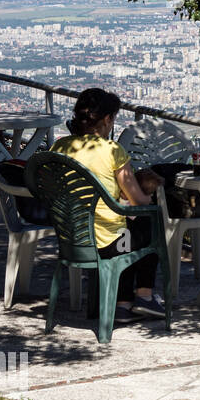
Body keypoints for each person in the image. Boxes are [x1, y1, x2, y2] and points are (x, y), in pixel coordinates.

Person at [50, 88, 165, 318]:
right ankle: (143, 296)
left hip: (70, 237)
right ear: (106, 119)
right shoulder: (112, 151)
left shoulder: (59, 147)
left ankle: (122, 305)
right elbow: (138, 200)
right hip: (106, 242)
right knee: (148, 222)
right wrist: (155, 198)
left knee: (126, 232)